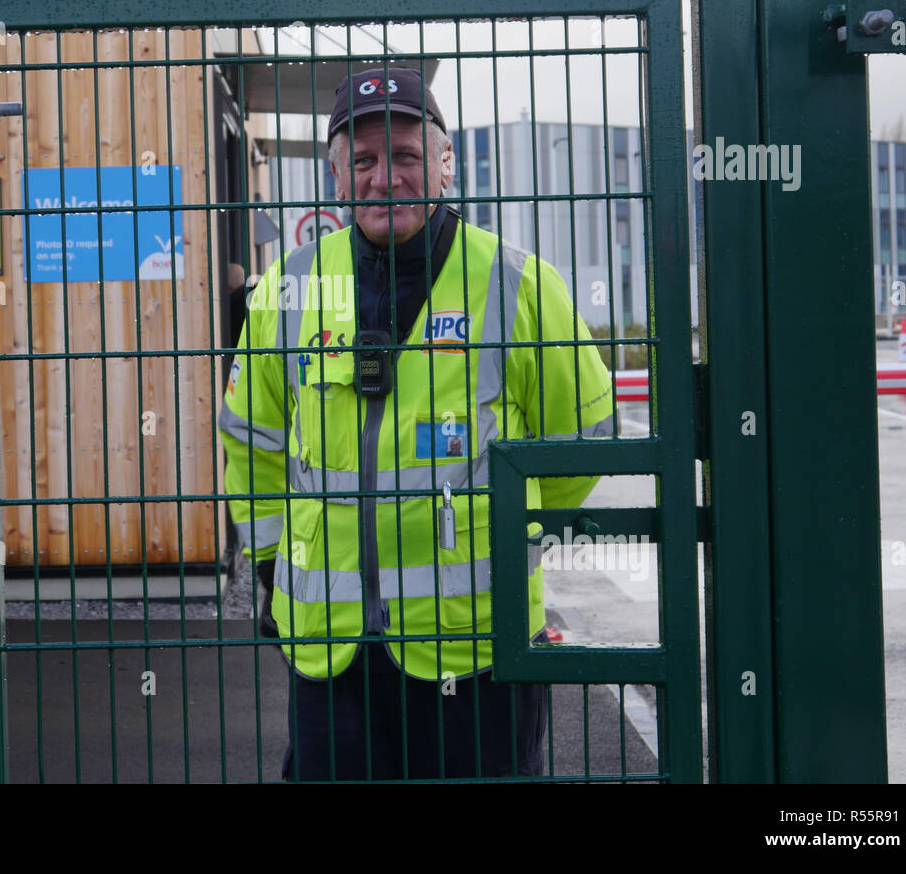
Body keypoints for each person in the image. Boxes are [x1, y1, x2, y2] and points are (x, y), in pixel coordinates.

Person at [218, 66, 614, 780]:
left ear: (443, 163)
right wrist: (277, 569)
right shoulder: (289, 288)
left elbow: (583, 443)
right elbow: (252, 442)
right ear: (338, 176)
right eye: (363, 161)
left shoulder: (518, 284)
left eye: (403, 156)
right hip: (330, 648)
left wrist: (503, 538)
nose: (383, 178)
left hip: (476, 649)